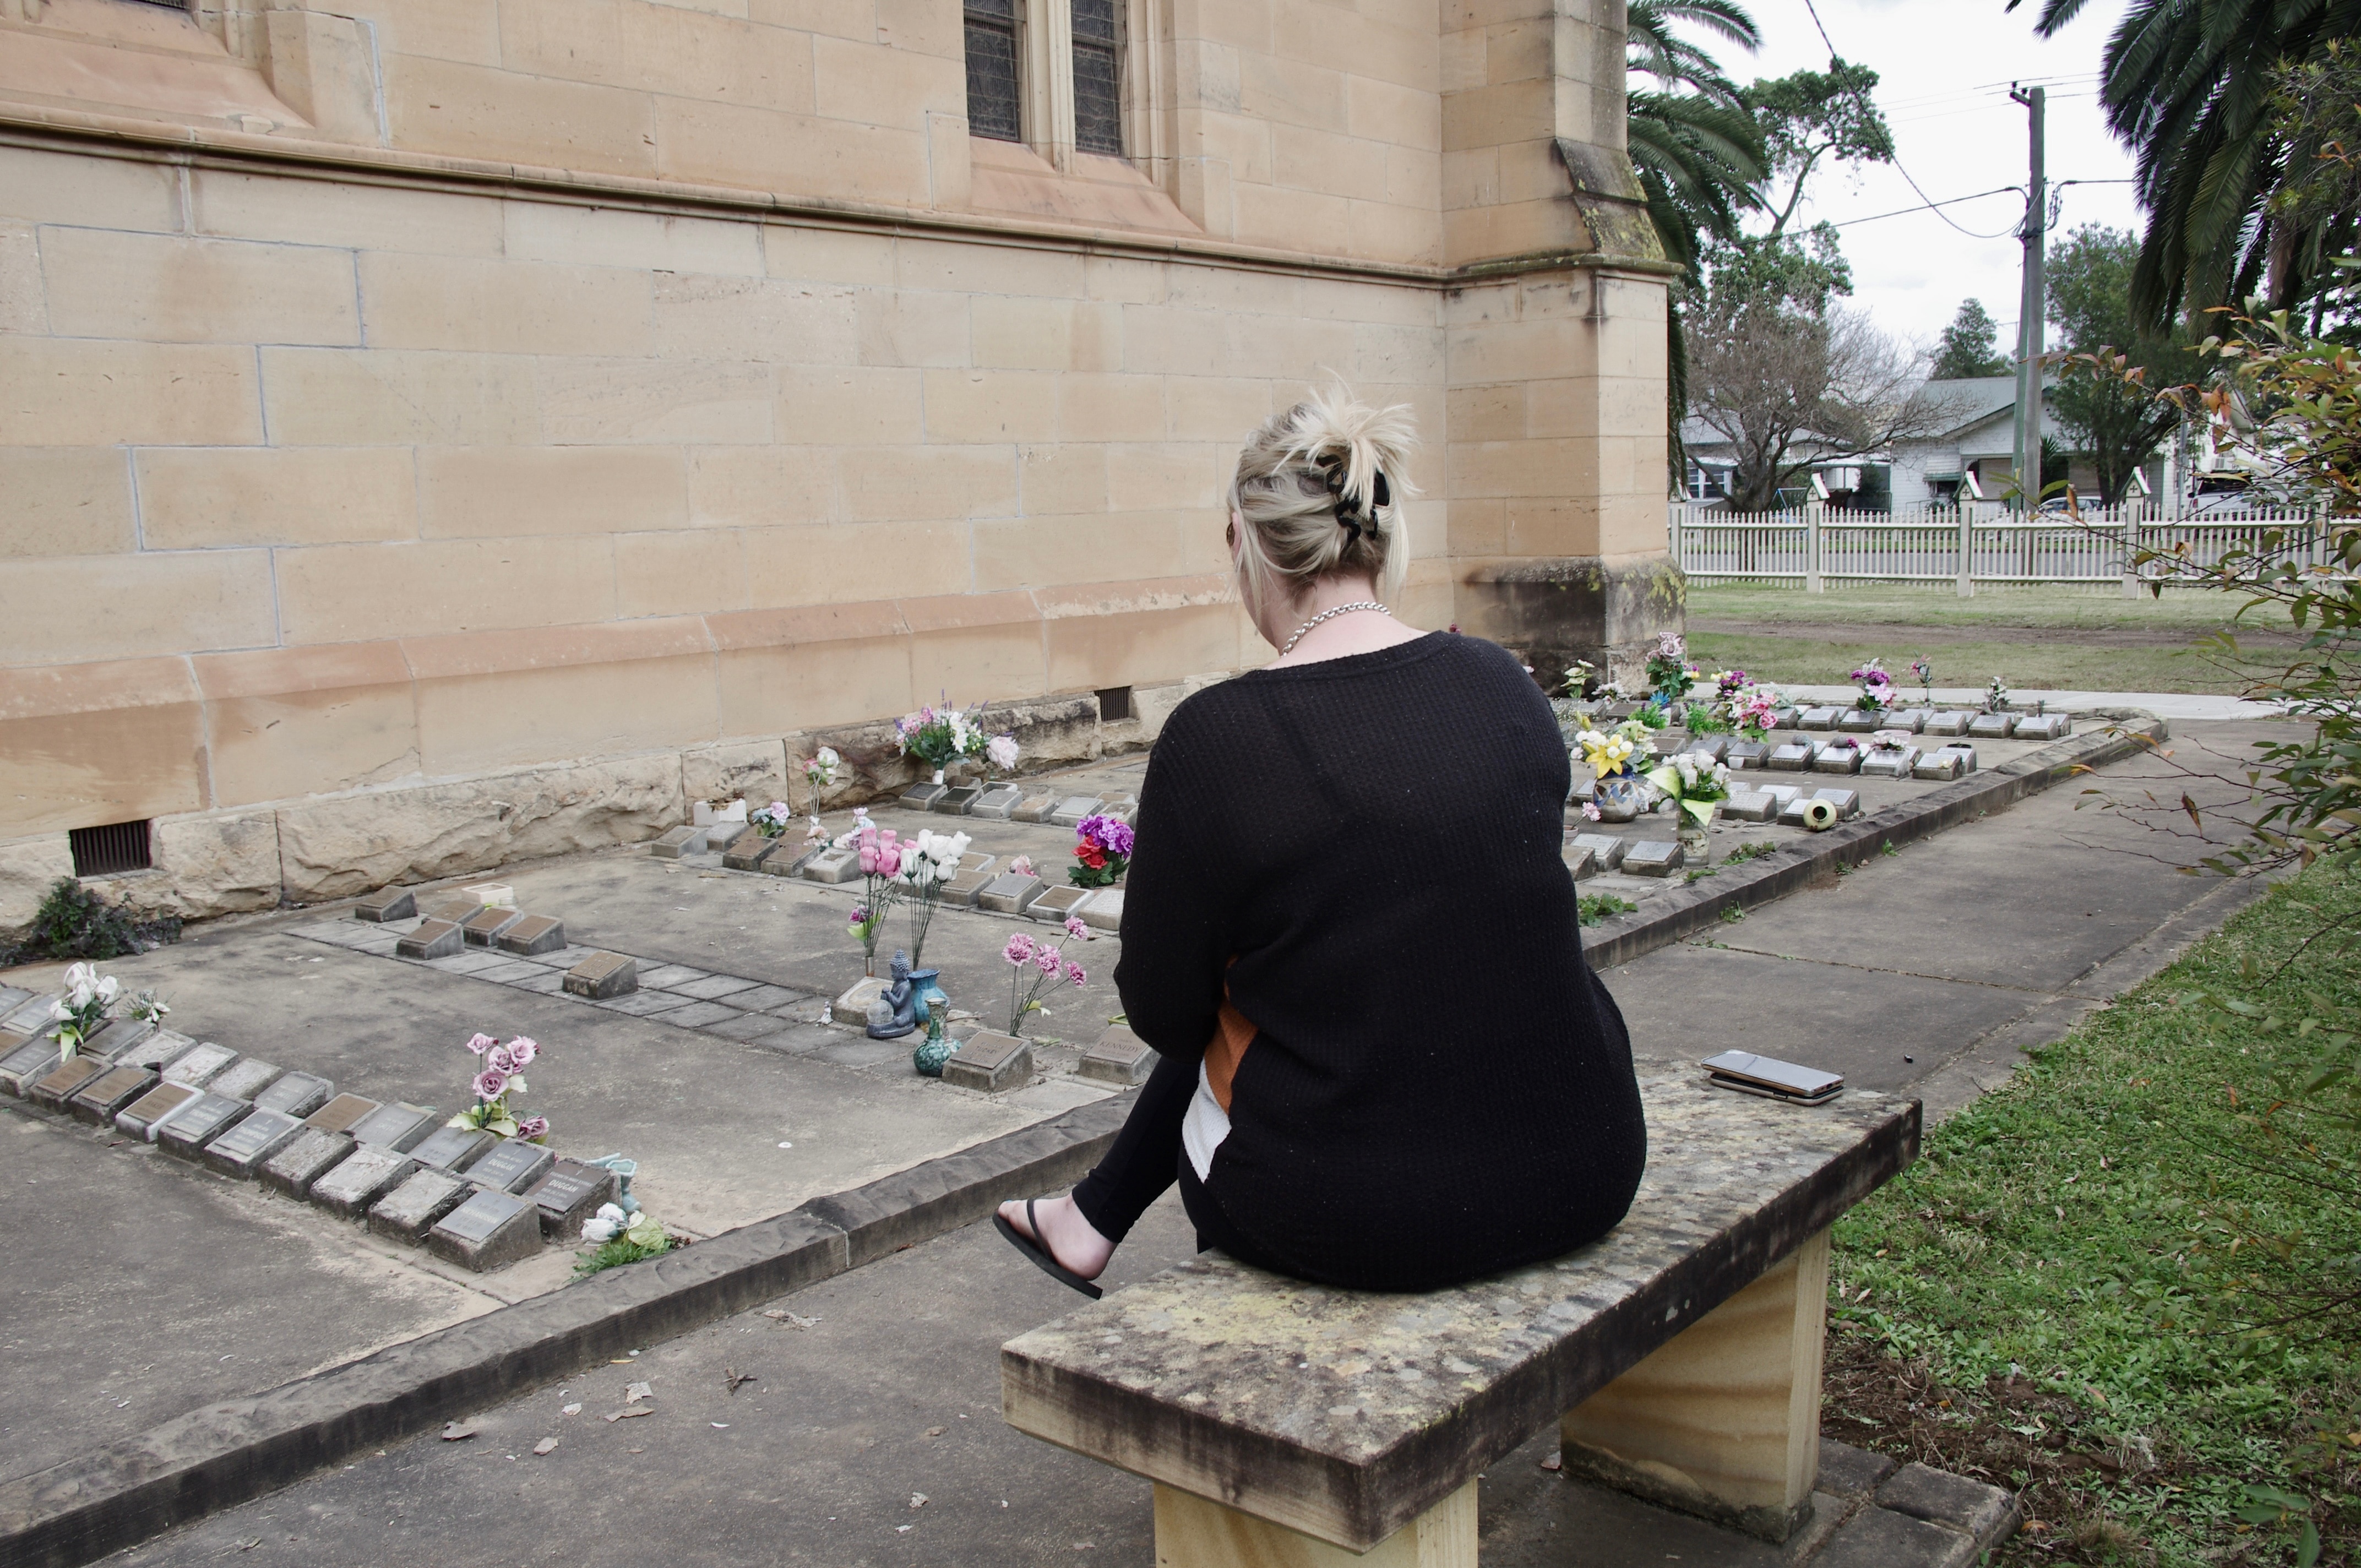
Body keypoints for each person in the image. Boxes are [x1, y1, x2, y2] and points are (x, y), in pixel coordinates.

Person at [995, 386, 1646, 1297]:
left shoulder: (1221, 736)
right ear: (1376, 535)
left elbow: (1166, 1014)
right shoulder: (1501, 682)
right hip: (1587, 1162)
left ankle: (1093, 1217)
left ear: (1242, 540)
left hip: (1356, 1215)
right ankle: (1088, 1218)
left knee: (1245, 993)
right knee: (1358, 957)